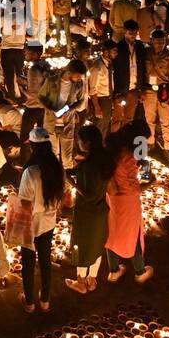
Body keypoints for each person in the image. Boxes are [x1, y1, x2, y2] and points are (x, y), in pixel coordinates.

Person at [8, 127, 66, 313]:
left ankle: (30, 302)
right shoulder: (58, 167)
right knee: (45, 261)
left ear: (32, 147)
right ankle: (46, 299)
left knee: (28, 262)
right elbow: (61, 197)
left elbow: (25, 204)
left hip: (30, 225)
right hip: (48, 223)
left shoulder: (31, 172)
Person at [65, 123, 113, 294]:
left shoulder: (90, 165)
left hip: (87, 213)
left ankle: (80, 282)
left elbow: (89, 194)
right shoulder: (103, 159)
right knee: (96, 245)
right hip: (101, 211)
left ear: (87, 143)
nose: (79, 143)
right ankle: (92, 279)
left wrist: (70, 181)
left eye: (80, 140)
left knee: (81, 247)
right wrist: (75, 172)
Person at [104, 121, 152, 283]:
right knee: (135, 235)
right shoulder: (128, 156)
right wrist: (151, 183)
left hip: (112, 198)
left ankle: (113, 270)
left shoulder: (112, 149)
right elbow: (133, 186)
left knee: (113, 232)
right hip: (128, 201)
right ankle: (140, 271)